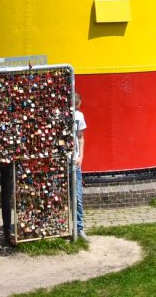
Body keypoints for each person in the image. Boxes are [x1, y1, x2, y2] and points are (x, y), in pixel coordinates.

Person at [72, 93, 87, 237]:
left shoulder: (79, 116)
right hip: (67, 160)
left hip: (75, 160)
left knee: (78, 197)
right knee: (75, 197)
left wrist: (81, 157)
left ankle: (79, 227)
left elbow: (81, 137)